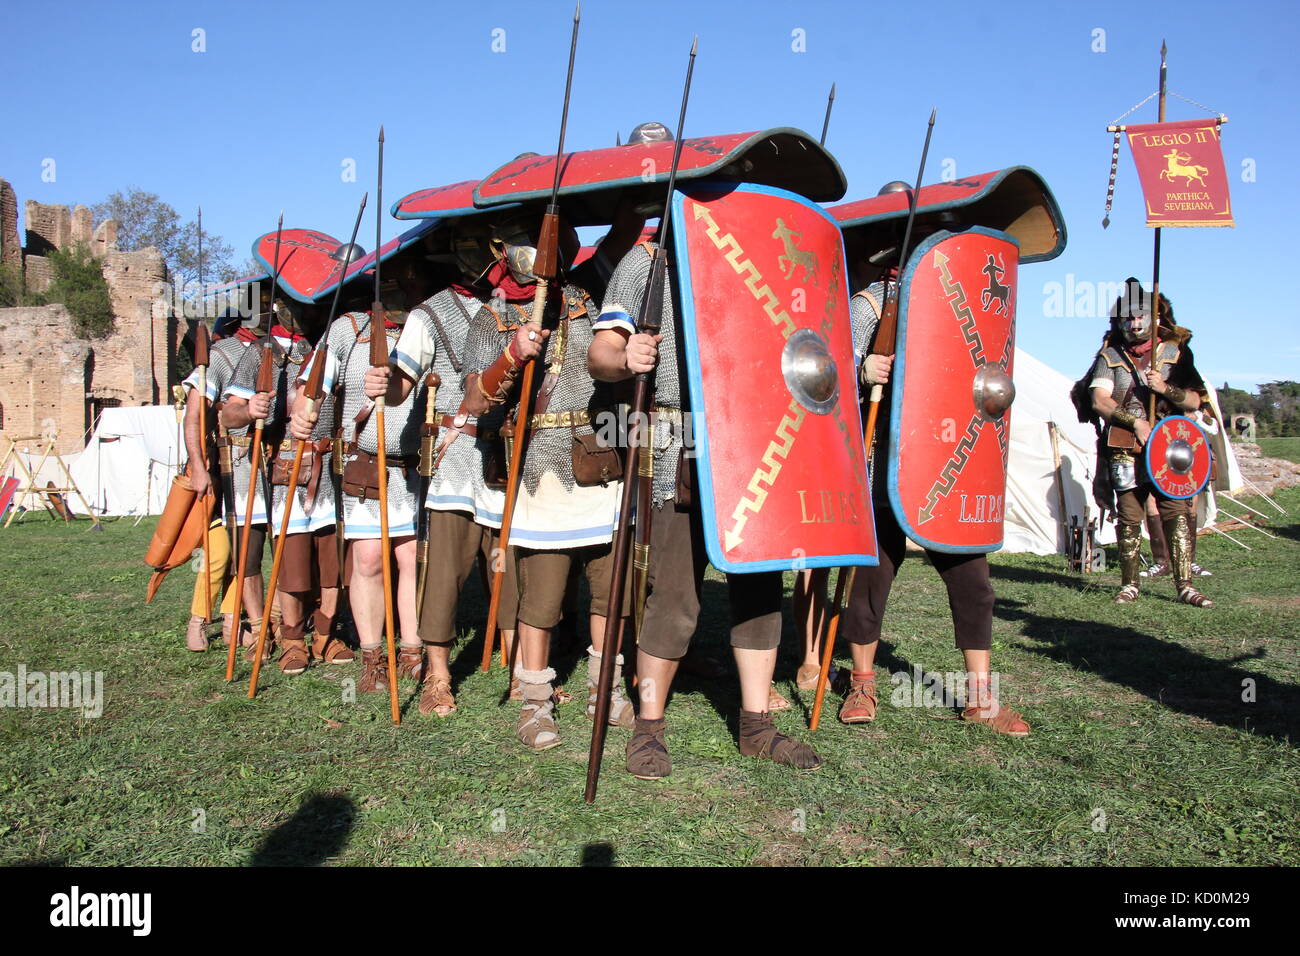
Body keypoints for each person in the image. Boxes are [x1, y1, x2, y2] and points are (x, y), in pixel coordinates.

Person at [589, 239, 824, 779]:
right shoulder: (649, 260)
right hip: (681, 441)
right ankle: (649, 727)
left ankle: (756, 724)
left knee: (760, 588)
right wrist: (625, 357)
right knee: (673, 594)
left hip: (754, 439)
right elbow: (599, 352)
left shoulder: (760, 251)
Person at [459, 209, 636, 751]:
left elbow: (624, 231)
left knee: (611, 591)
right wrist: (511, 357)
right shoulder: (491, 319)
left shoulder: (588, 294)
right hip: (538, 466)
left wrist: (633, 188)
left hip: (601, 460)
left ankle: (608, 687)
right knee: (541, 597)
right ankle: (535, 698)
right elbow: (473, 404)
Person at [835, 261, 1030, 734]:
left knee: (975, 587)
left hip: (948, 472)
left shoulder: (958, 305)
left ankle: (981, 697)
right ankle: (862, 681)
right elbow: (825, 373)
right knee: (868, 582)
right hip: (885, 468)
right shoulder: (870, 305)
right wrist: (861, 368)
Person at [289, 254, 432, 693]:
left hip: (416, 464)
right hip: (366, 464)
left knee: (411, 558)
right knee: (368, 558)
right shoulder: (348, 329)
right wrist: (303, 410)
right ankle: (372, 654)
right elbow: (316, 381)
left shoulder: (425, 324)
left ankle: (412, 650)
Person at [1089, 280, 1212, 607]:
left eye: (1140, 316)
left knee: (1177, 515)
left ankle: (1184, 585)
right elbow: (1100, 401)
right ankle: (1129, 585)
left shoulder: (1175, 353)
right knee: (1129, 515)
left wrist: (1166, 388)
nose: (1134, 323)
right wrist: (1137, 422)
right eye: (1127, 318)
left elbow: (1196, 400)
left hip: (1171, 447)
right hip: (1125, 445)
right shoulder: (1110, 356)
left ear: (1155, 317)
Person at [180, 308, 253, 651]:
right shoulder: (219, 357)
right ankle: (198, 619)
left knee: (245, 554)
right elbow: (193, 416)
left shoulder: (264, 351)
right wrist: (197, 466)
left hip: (249, 467)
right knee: (218, 552)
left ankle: (232, 619)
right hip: (216, 467)